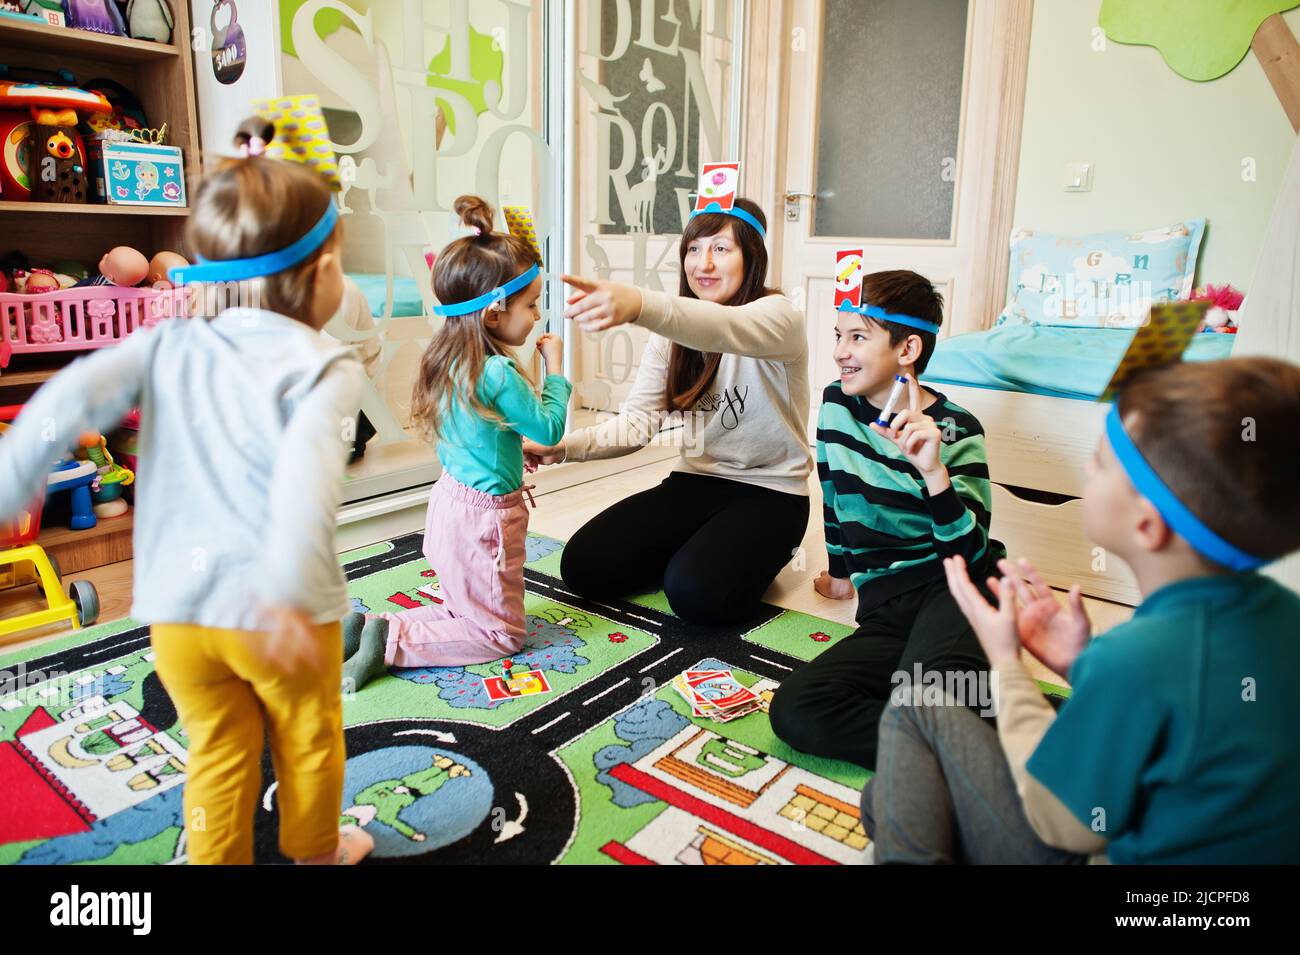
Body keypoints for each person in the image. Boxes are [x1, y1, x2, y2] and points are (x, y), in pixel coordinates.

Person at [0, 119, 371, 864]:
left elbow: (62, 403)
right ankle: (316, 846)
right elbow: (306, 481)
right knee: (308, 732)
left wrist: (11, 485)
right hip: (278, 615)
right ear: (323, 267)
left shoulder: (165, 340)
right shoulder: (324, 363)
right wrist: (287, 592)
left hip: (174, 611)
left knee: (219, 746)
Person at [867, 357, 1300, 864]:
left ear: (1147, 524)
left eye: (1099, 463)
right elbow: (1193, 717)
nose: (1087, 472)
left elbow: (1067, 824)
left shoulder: (1136, 656)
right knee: (889, 798)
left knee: (915, 707)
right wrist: (1082, 665)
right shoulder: (1284, 615)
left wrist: (1007, 664)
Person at [525, 198, 811, 626]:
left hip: (772, 494)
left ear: (752, 255)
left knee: (695, 597)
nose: (703, 264)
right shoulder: (672, 337)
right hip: (695, 483)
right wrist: (564, 447)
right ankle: (701, 554)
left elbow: (722, 326)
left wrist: (639, 304)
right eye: (694, 249)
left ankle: (729, 559)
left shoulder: (779, 317)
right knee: (584, 566)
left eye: (720, 248)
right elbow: (637, 424)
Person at [768, 270, 1002, 770]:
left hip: (959, 589)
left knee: (936, 698)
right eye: (837, 336)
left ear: (907, 348)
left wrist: (933, 472)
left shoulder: (959, 430)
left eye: (857, 336)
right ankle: (950, 740)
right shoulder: (836, 404)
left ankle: (990, 733)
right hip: (886, 607)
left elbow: (971, 557)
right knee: (795, 711)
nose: (838, 351)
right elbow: (835, 496)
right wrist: (841, 573)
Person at [343, 196, 571, 688]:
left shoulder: (445, 359)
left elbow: (482, 433)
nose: (536, 317)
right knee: (498, 634)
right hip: (486, 519)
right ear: (493, 314)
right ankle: (393, 646)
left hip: (449, 502)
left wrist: (513, 452)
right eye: (531, 304)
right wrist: (556, 367)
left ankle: (368, 628)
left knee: (460, 609)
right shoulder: (498, 371)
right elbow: (549, 428)